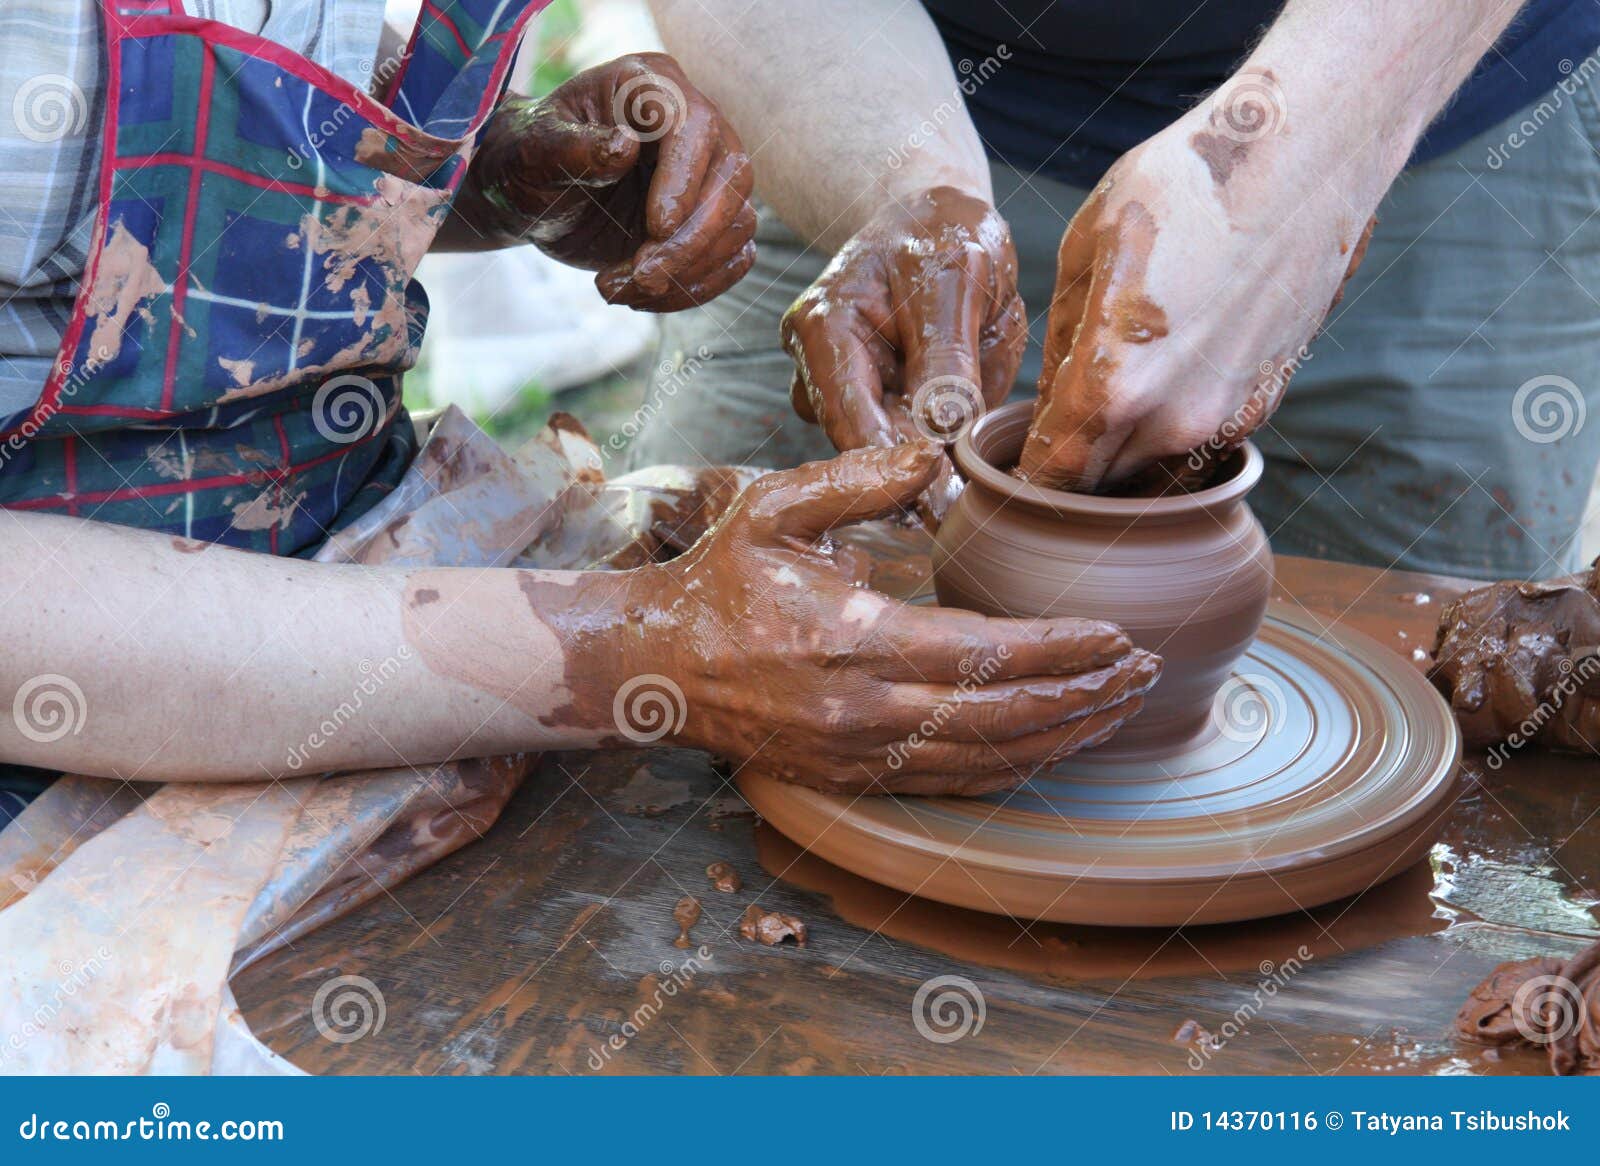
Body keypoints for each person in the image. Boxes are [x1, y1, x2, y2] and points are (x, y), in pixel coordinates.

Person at [0, 0, 1156, 822]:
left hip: (341, 569)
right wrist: (629, 648)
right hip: (67, 727)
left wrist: (493, 178)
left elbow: (193, 112)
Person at [632, 0, 1600, 581]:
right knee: (698, 626)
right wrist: (911, 196)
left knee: (1442, 698)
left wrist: (1288, 158)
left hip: (1443, 100)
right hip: (852, 80)